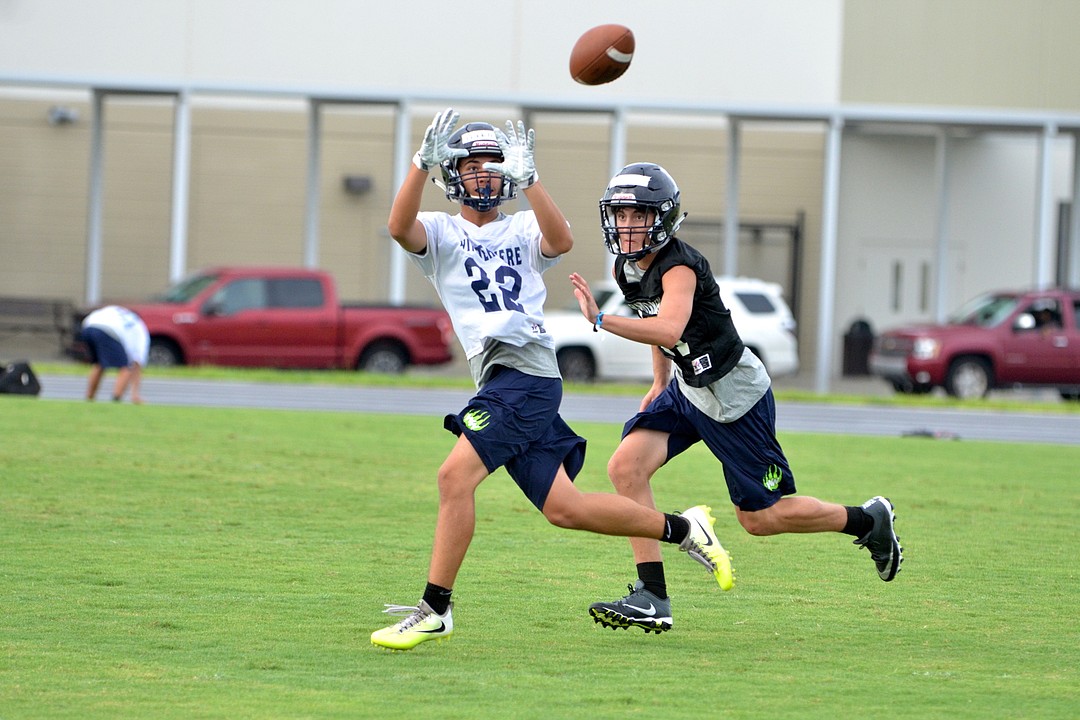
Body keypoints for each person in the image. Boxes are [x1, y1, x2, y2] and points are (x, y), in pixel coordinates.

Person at [371, 110, 732, 651]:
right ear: (452, 174)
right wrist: (419, 164)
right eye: (472, 166)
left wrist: (532, 179)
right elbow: (400, 228)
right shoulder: (442, 232)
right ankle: (686, 530)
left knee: (454, 479)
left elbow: (560, 241)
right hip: (499, 378)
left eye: (495, 166)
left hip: (527, 376)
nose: (485, 175)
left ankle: (435, 608)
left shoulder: (520, 225)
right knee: (566, 509)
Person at [569, 162, 903, 634]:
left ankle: (867, 522)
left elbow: (669, 326)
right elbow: (654, 326)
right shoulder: (627, 266)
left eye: (638, 215)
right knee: (626, 467)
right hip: (689, 389)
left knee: (760, 520)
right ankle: (652, 596)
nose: (626, 225)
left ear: (662, 218)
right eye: (621, 215)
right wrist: (659, 381)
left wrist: (599, 320)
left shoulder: (679, 266)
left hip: (733, 399)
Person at [78, 305, 149, 404]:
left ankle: (89, 398)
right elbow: (137, 362)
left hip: (88, 326)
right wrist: (135, 394)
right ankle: (116, 399)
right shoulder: (140, 329)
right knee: (126, 366)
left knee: (99, 363)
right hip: (108, 330)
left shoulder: (123, 313)